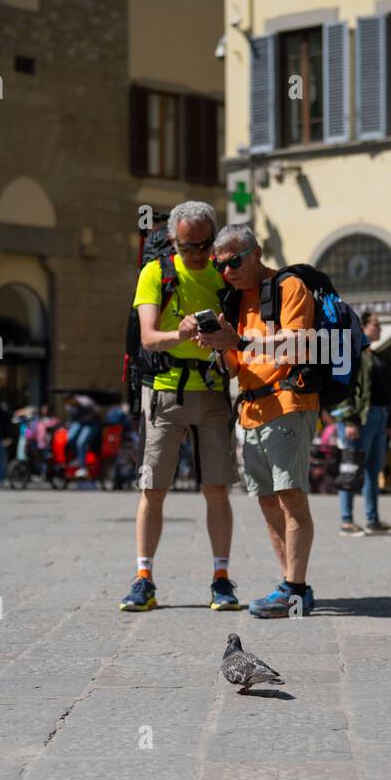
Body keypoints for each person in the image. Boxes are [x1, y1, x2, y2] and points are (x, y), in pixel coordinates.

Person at [120, 201, 240, 613]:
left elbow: (242, 335)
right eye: (190, 247)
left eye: (206, 245)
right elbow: (148, 338)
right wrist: (181, 332)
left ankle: (221, 579)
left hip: (211, 389)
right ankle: (143, 578)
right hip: (164, 391)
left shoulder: (225, 277)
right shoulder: (155, 273)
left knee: (217, 489)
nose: (199, 254)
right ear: (173, 240)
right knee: (153, 489)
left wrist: (225, 337)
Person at [198, 223, 317, 618]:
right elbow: (235, 367)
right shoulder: (234, 299)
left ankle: (295, 590)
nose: (227, 271)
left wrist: (240, 342)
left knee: (291, 496)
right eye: (220, 265)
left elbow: (299, 344)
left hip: (287, 401)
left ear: (257, 252)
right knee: (267, 501)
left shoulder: (289, 288)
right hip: (249, 409)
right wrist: (220, 346)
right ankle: (289, 584)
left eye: (234, 261)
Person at [336, 310, 391, 536]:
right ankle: (346, 520)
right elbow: (344, 390)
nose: (380, 328)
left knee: (374, 470)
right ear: (362, 327)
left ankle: (372, 520)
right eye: (376, 324)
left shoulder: (375, 355)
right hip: (359, 420)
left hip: (378, 418)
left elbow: (388, 393)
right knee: (351, 469)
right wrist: (349, 420)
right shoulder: (351, 353)